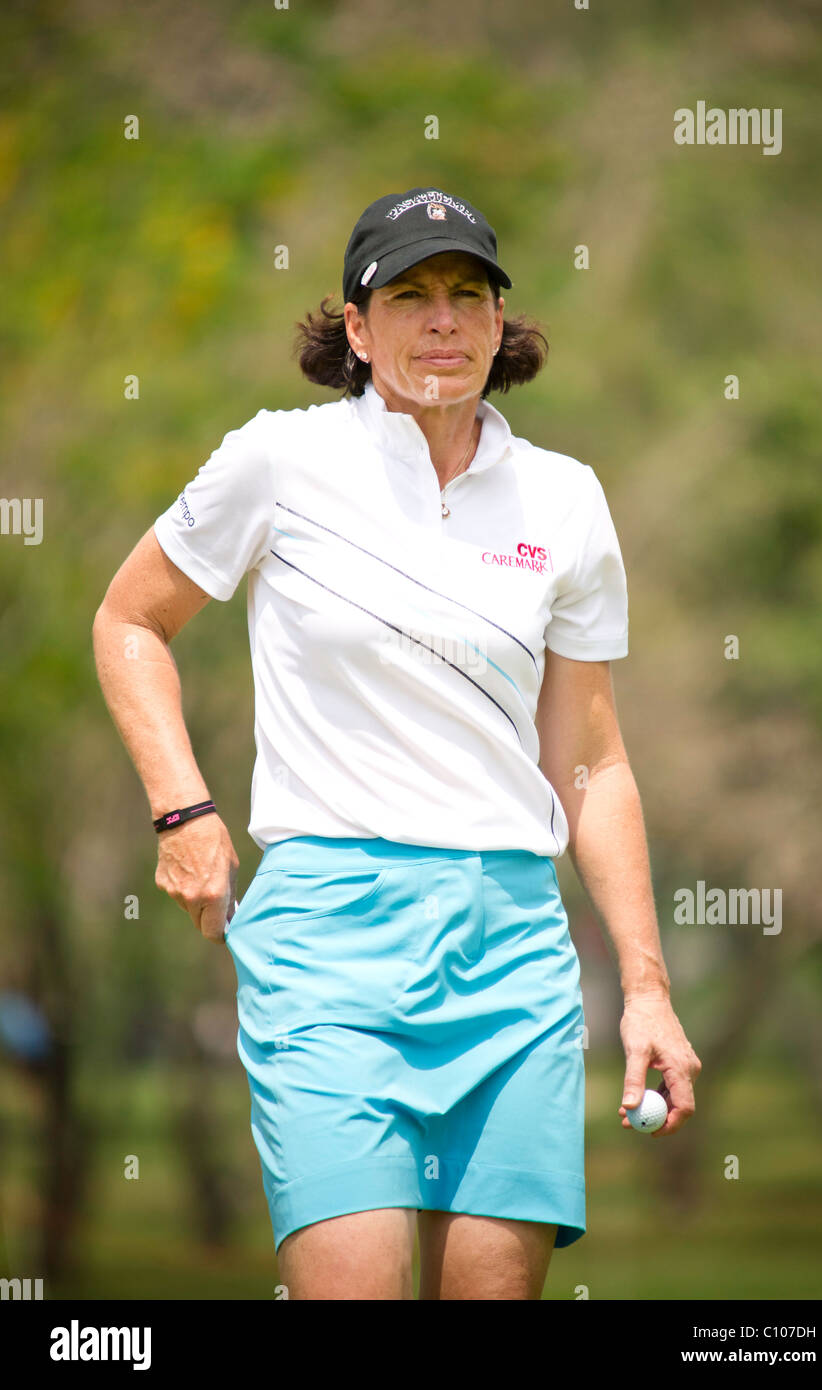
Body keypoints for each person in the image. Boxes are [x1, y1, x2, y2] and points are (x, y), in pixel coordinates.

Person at [92, 185, 701, 1301]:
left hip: (512, 948)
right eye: (408, 295)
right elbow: (129, 620)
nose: (442, 321)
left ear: (498, 323)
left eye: (468, 294)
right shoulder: (278, 461)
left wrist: (646, 986)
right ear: (357, 329)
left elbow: (592, 762)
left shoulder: (562, 500)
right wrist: (182, 808)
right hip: (329, 937)